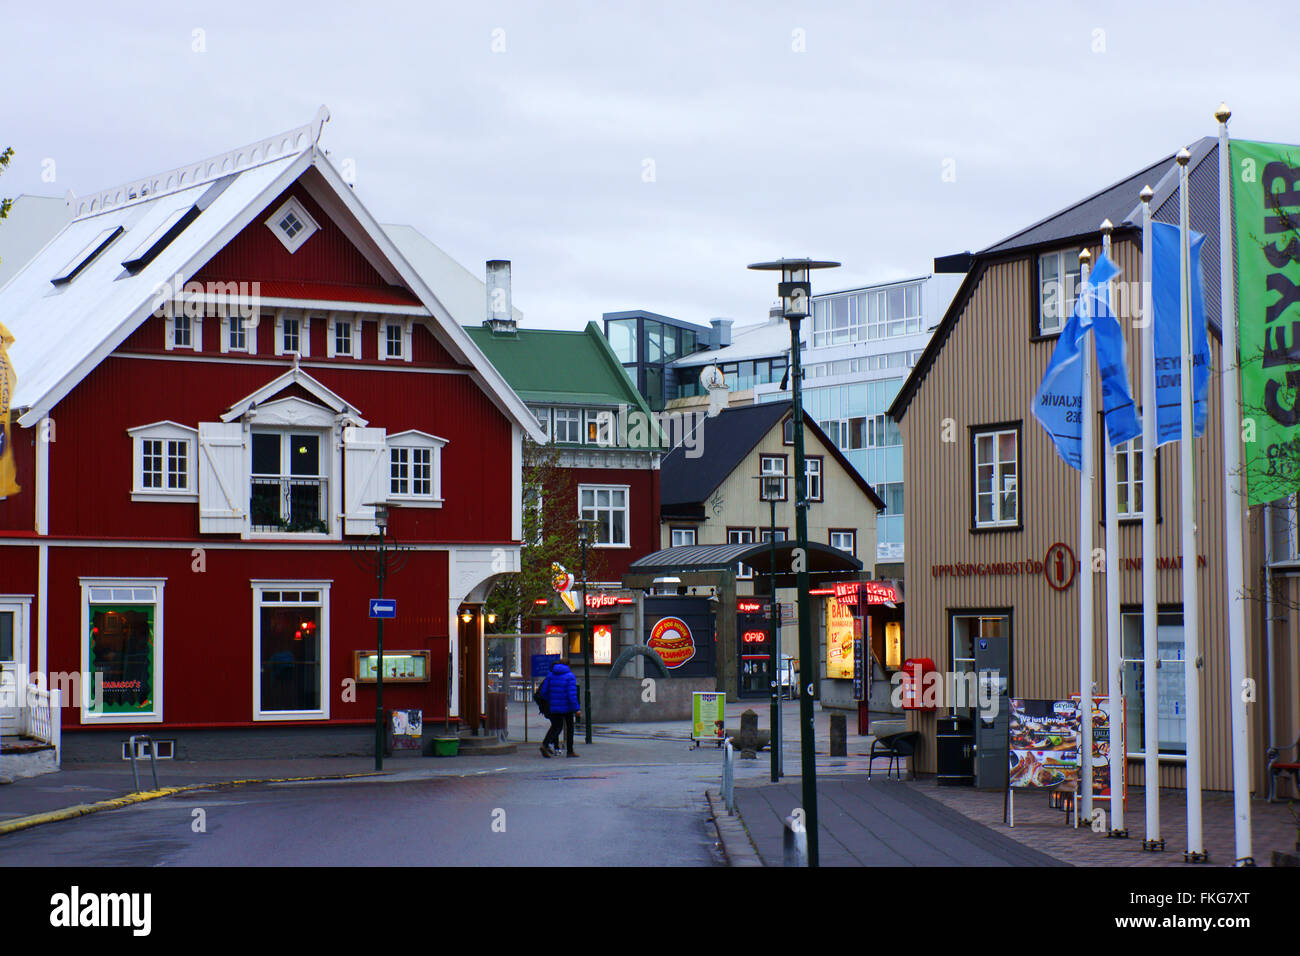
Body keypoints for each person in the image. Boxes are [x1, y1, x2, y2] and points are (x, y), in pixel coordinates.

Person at [541, 657, 581, 758]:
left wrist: (552, 700)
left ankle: (545, 744)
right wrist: (576, 708)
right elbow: (571, 694)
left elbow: (544, 692)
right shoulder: (570, 676)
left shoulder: (550, 675)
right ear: (568, 665)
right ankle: (570, 751)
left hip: (554, 706)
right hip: (567, 707)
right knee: (570, 727)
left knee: (556, 726)